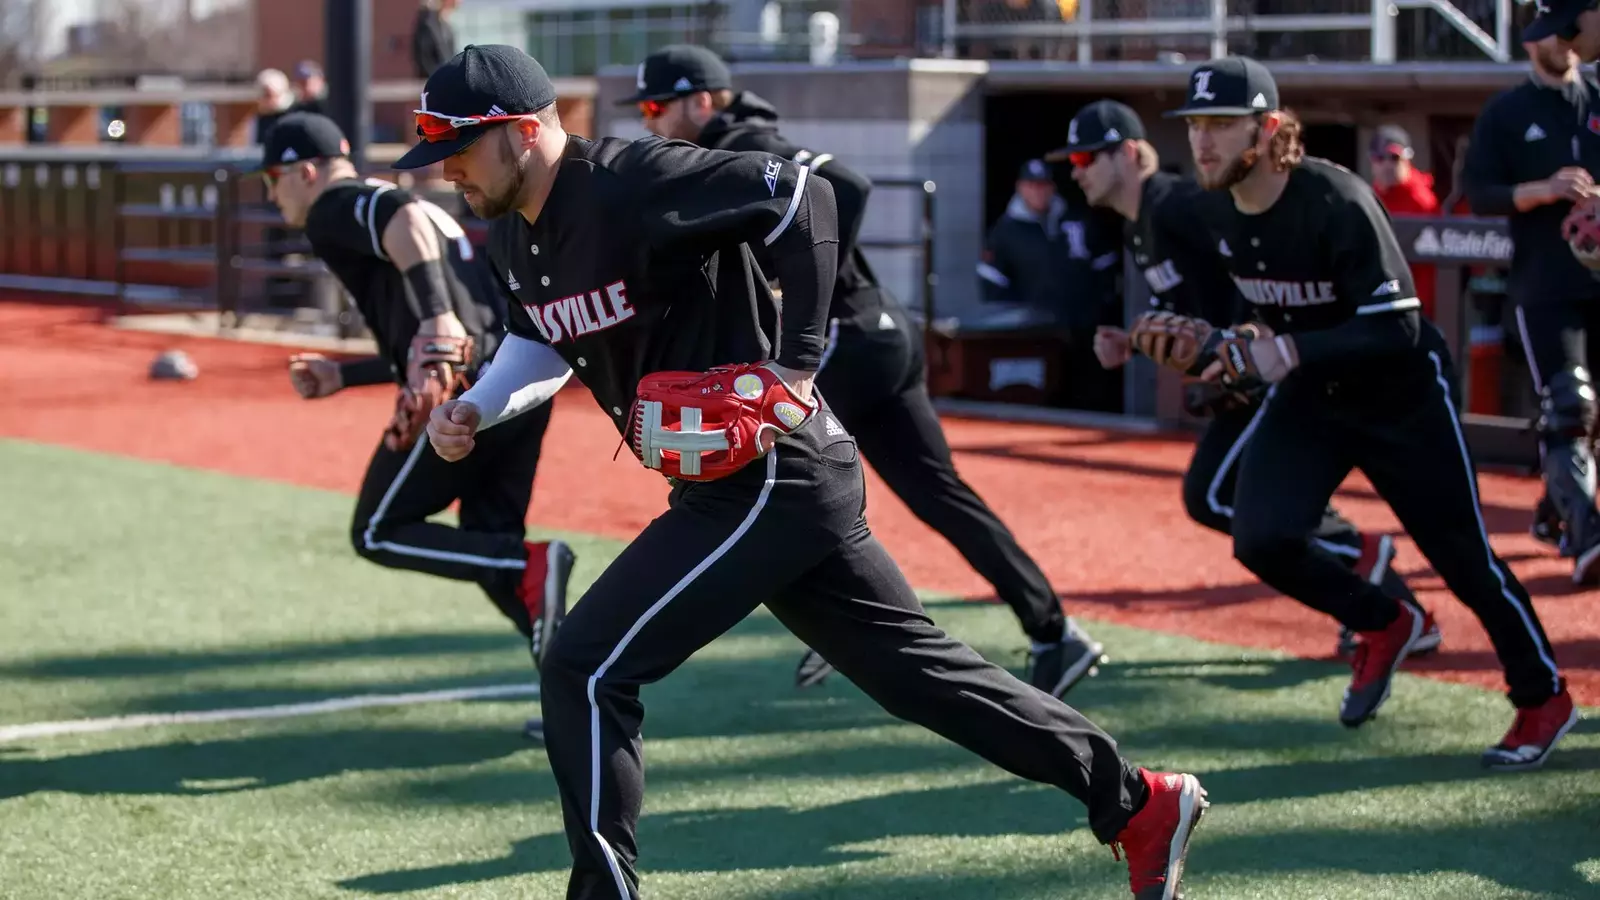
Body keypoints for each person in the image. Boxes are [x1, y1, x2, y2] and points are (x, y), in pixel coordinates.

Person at [401, 44, 1208, 900]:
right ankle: (1141, 804)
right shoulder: (511, 236)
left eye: (456, 146)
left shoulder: (636, 180)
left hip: (771, 474)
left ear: (524, 133)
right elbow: (542, 338)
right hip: (749, 483)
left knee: (585, 668)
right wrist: (478, 408)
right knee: (917, 676)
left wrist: (799, 359)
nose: (444, 168)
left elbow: (806, 198)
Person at [618, 43, 1105, 700]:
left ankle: (848, 627)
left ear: (702, 101)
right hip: (877, 331)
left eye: (655, 106)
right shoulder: (724, 149)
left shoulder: (747, 142)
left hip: (851, 338)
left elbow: (846, 184)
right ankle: (1055, 632)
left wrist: (798, 284)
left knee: (786, 481)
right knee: (932, 494)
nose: (649, 123)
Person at [1166, 55, 1573, 769]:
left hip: (1401, 396)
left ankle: (1543, 698)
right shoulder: (1209, 208)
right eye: (1196, 124)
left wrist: (1285, 351)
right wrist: (1226, 344)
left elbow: (1398, 327)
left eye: (1221, 125)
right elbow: (1264, 313)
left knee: (1465, 560)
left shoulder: (1334, 196)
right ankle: (1386, 621)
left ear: (1266, 130)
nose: (1202, 141)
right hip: (1315, 397)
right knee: (1260, 537)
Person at [1057, 99, 1442, 660]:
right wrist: (1134, 342)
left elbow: (1258, 253)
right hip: (1243, 373)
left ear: (1132, 153)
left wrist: (1248, 337)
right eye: (1073, 158)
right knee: (1210, 498)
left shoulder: (1178, 202)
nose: (1077, 168)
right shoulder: (1139, 228)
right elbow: (1189, 321)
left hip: (1276, 366)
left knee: (1218, 497)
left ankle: (1362, 564)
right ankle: (1376, 584)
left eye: (1088, 155)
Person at [253, 111, 574, 741]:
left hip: (466, 393)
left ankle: (526, 563)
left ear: (306, 170)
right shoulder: (404, 206)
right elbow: (449, 314)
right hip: (512, 376)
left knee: (378, 530)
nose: (270, 193)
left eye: (271, 178)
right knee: (487, 541)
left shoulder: (335, 205)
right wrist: (347, 375)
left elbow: (409, 245)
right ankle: (577, 701)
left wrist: (433, 321)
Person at [1462, 20, 1600, 583]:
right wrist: (1544, 189)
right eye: (1552, 31)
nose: (1564, 42)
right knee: (1570, 404)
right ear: (1530, 40)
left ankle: (1553, 511)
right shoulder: (1506, 112)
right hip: (1544, 285)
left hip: (1598, 278)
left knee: (1591, 417)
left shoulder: (1595, 99)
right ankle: (1589, 537)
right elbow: (1478, 195)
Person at [1367, 125, 1441, 322]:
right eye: (1380, 159)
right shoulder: (1368, 198)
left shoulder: (1423, 200)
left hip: (1417, 306)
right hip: (1378, 303)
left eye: (1394, 158)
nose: (1387, 165)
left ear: (1408, 159)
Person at [412, 0, 459, 79]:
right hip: (434, 79)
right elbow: (424, 57)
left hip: (446, 76)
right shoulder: (428, 24)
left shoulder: (446, 25)